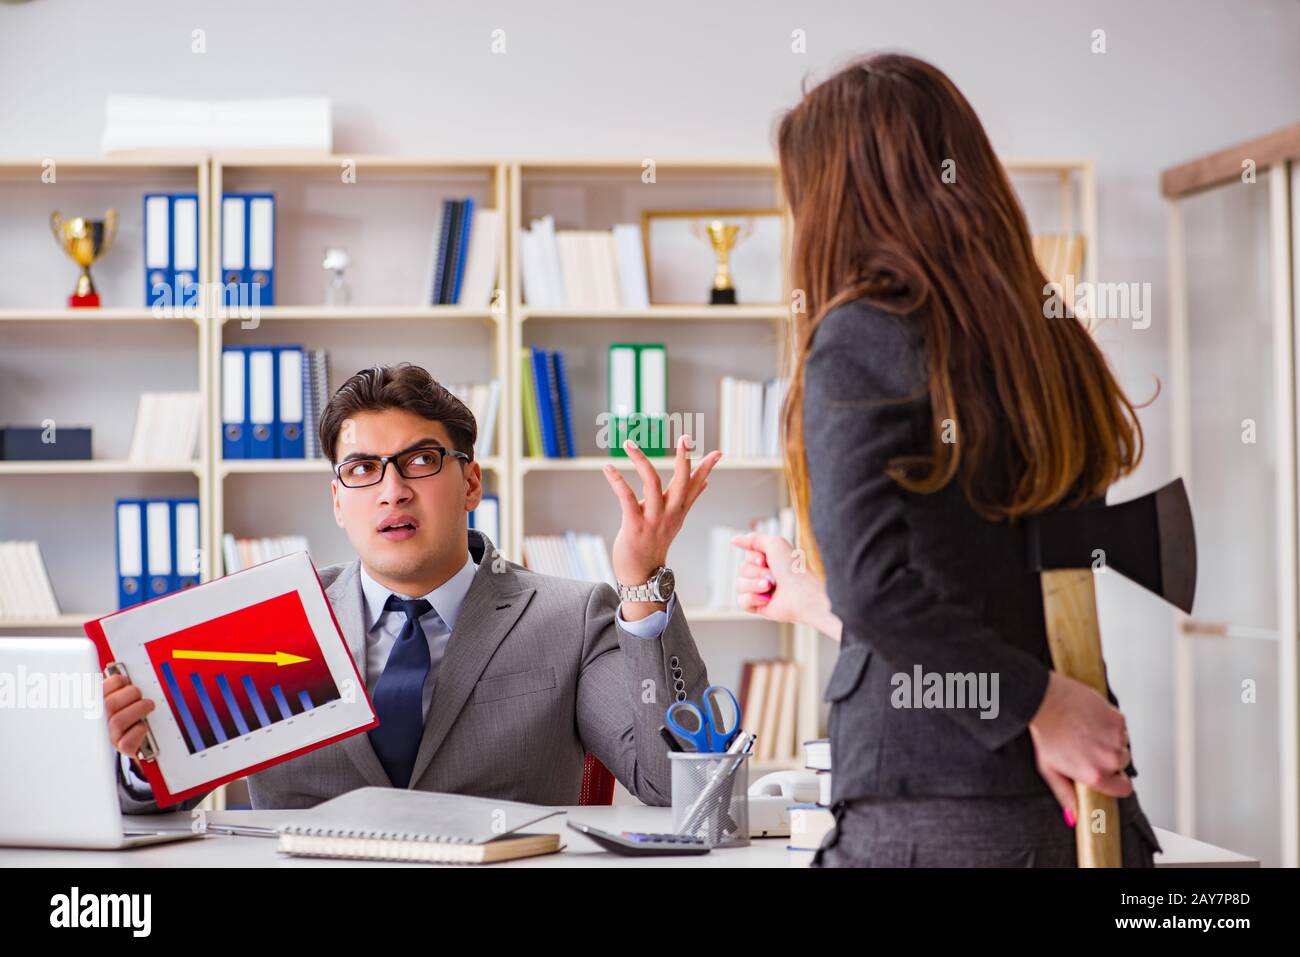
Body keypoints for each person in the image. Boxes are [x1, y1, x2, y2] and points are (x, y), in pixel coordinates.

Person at [734, 52, 1164, 867]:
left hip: (936, 814)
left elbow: (879, 587)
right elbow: (962, 591)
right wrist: (816, 602)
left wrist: (1035, 703)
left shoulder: (859, 334)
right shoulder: (1048, 338)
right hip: (1076, 794)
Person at [105, 362, 719, 811]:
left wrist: (643, 581)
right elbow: (154, 801)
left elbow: (677, 786)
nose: (392, 489)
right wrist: (142, 759)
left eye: (421, 461)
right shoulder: (278, 619)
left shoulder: (568, 617)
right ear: (340, 501)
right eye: (363, 469)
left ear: (472, 484)